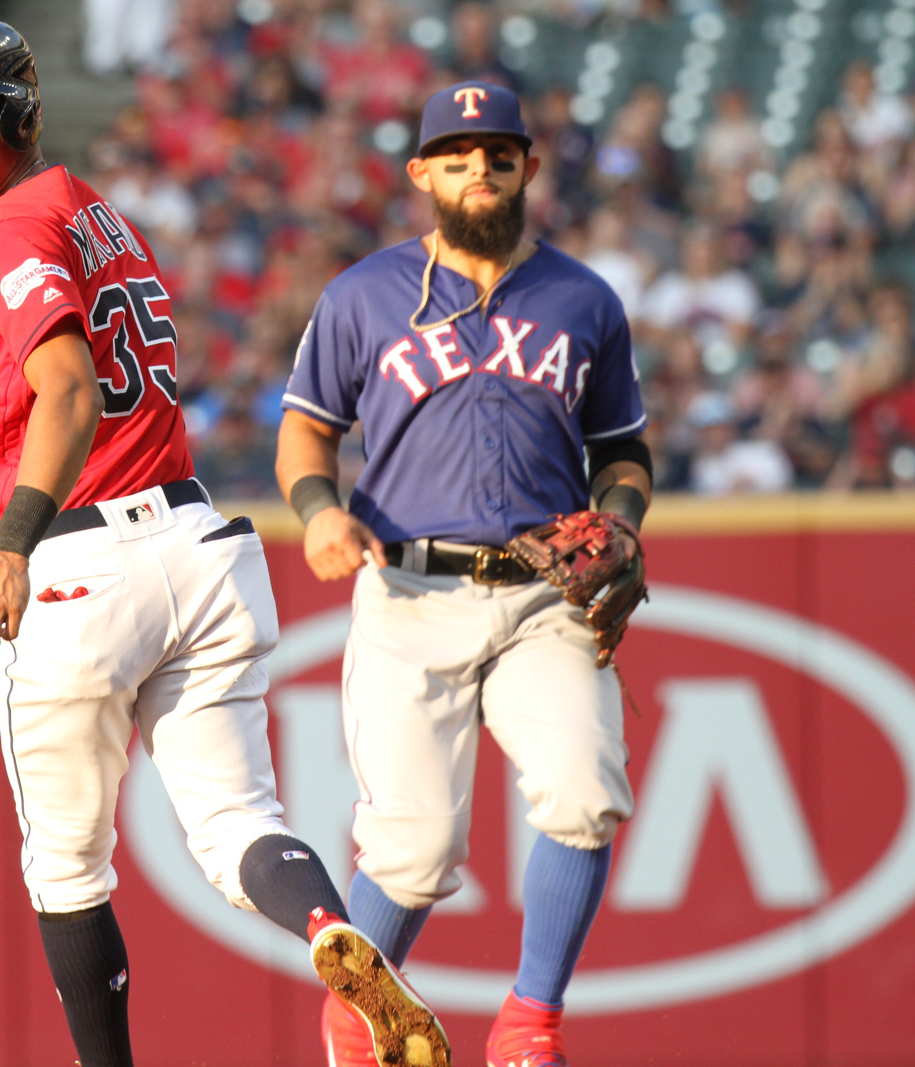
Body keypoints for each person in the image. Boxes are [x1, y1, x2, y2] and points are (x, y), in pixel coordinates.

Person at [0, 16, 447, 1067]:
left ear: (19, 108)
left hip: (78, 561)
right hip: (199, 544)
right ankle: (333, 932)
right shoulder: (98, 214)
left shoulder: (8, 229)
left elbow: (68, 386)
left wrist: (11, 543)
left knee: (65, 869)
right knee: (239, 822)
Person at [276, 82, 653, 1067]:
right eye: (454, 154)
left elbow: (621, 450)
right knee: (411, 848)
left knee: (583, 786)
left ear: (528, 165)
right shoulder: (362, 294)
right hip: (406, 588)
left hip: (544, 594)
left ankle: (530, 1020)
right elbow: (306, 429)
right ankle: (356, 1027)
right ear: (420, 174)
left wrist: (619, 520)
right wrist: (318, 511)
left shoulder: (584, 297)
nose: (476, 171)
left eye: (495, 153)